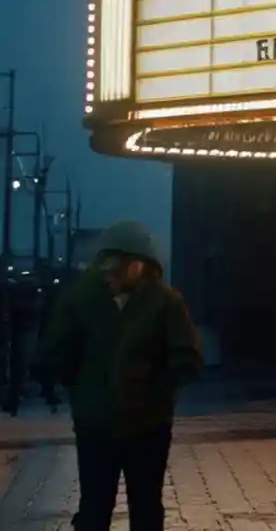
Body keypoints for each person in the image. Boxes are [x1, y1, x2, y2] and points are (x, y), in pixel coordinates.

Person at [40, 221, 202, 531]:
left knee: (146, 507)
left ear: (140, 265)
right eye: (107, 268)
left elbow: (187, 358)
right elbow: (56, 352)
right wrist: (80, 390)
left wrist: (156, 393)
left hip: (148, 425)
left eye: (119, 269)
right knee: (94, 507)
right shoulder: (81, 299)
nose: (111, 276)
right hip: (96, 423)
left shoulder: (165, 302)